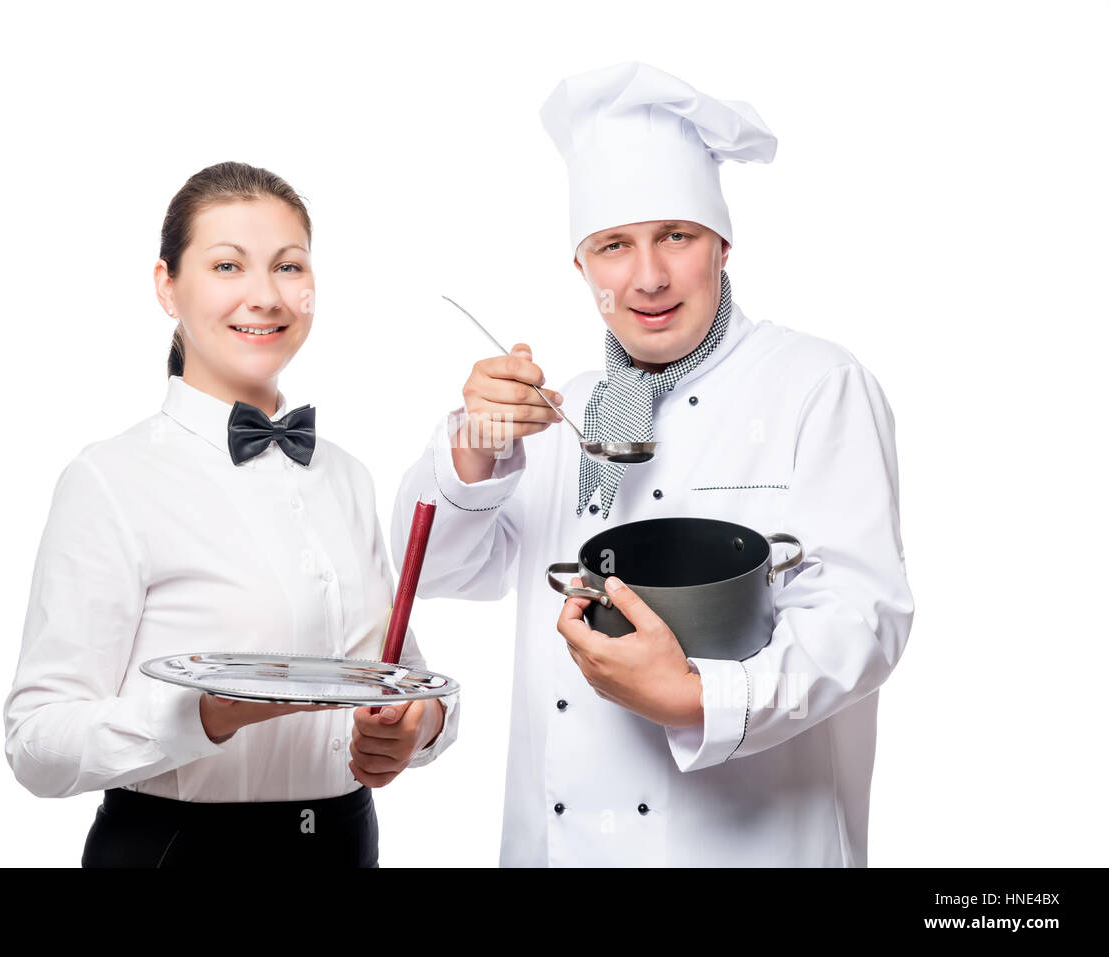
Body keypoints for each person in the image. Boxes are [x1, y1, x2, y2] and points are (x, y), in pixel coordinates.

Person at [391, 62, 913, 866]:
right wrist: (473, 446)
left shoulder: (817, 383)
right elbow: (443, 570)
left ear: (722, 243)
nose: (648, 277)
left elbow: (864, 618)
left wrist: (702, 697)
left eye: (676, 235)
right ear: (581, 267)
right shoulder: (561, 409)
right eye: (613, 246)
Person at [4, 161, 457, 868]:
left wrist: (417, 726)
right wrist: (201, 715)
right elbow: (35, 742)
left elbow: (404, 679)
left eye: (288, 266)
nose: (265, 296)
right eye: (226, 265)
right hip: (179, 850)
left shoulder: (346, 475)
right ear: (167, 287)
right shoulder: (109, 478)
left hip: (347, 844)